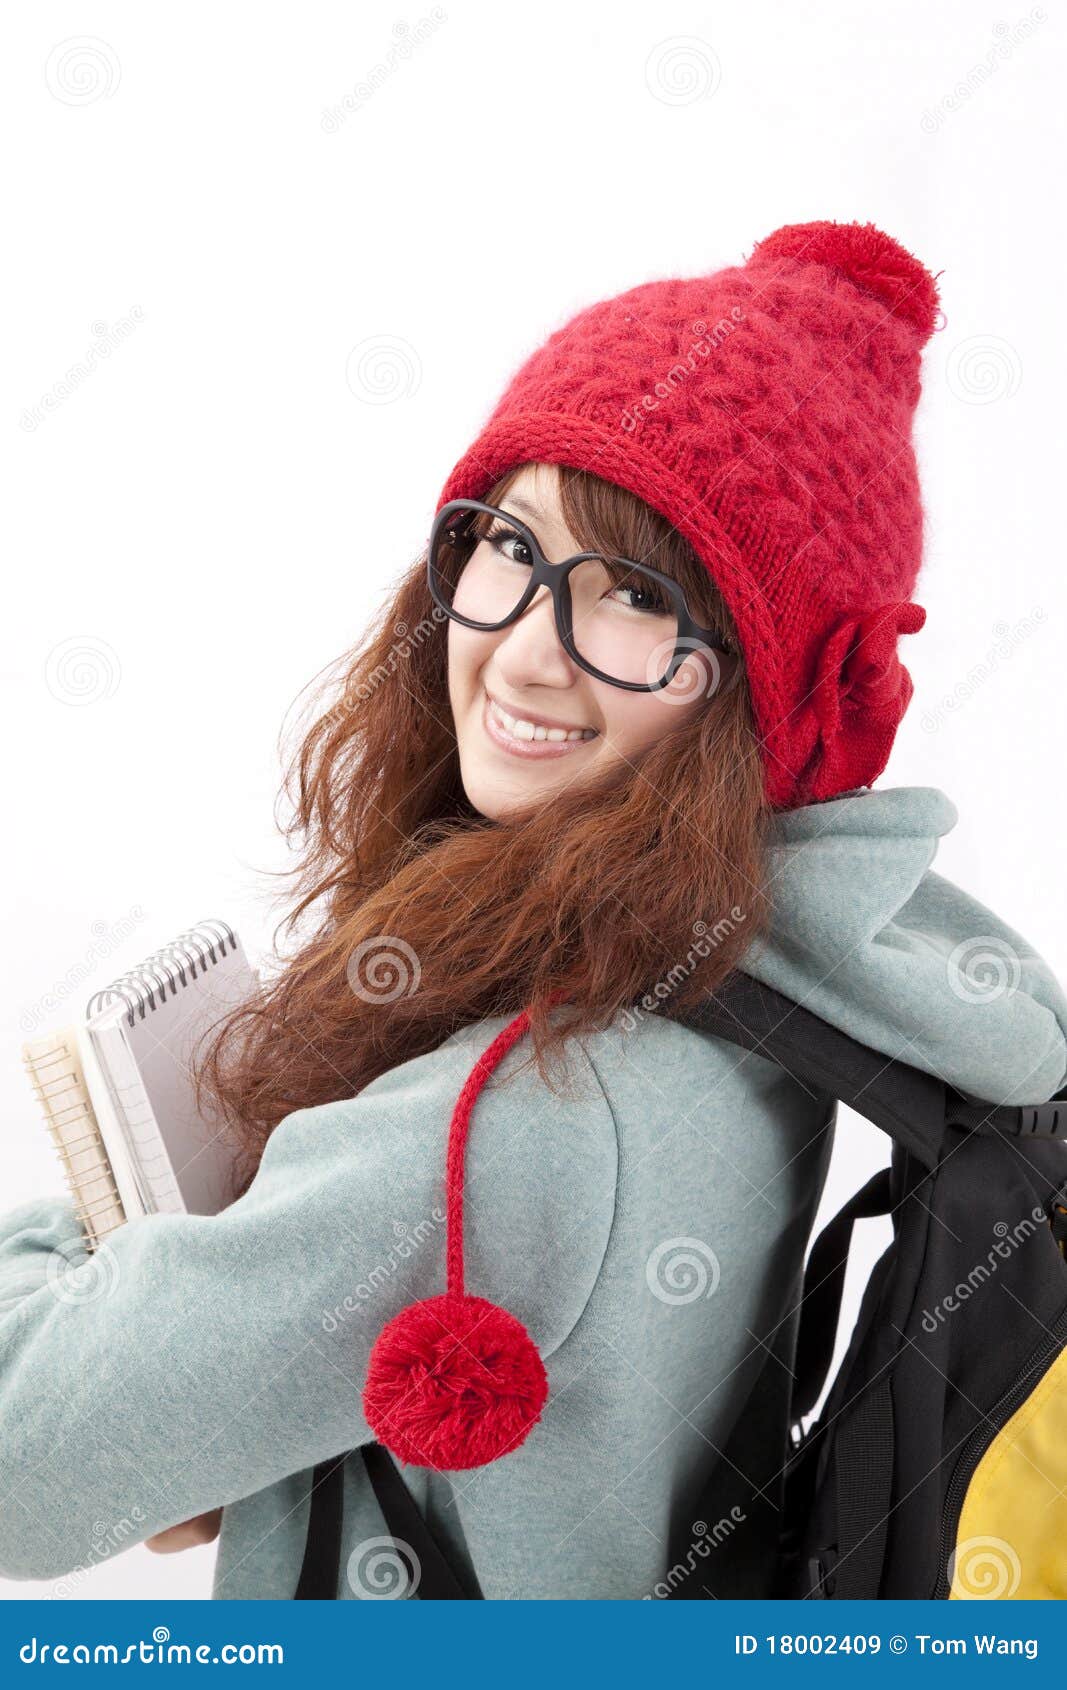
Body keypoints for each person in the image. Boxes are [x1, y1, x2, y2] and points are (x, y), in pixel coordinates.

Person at [2, 220, 1065, 1601]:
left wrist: (115, 1254)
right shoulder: (781, 968)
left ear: (765, 689)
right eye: (506, 541)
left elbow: (24, 1471)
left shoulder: (509, 1132)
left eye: (635, 594)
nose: (519, 646)